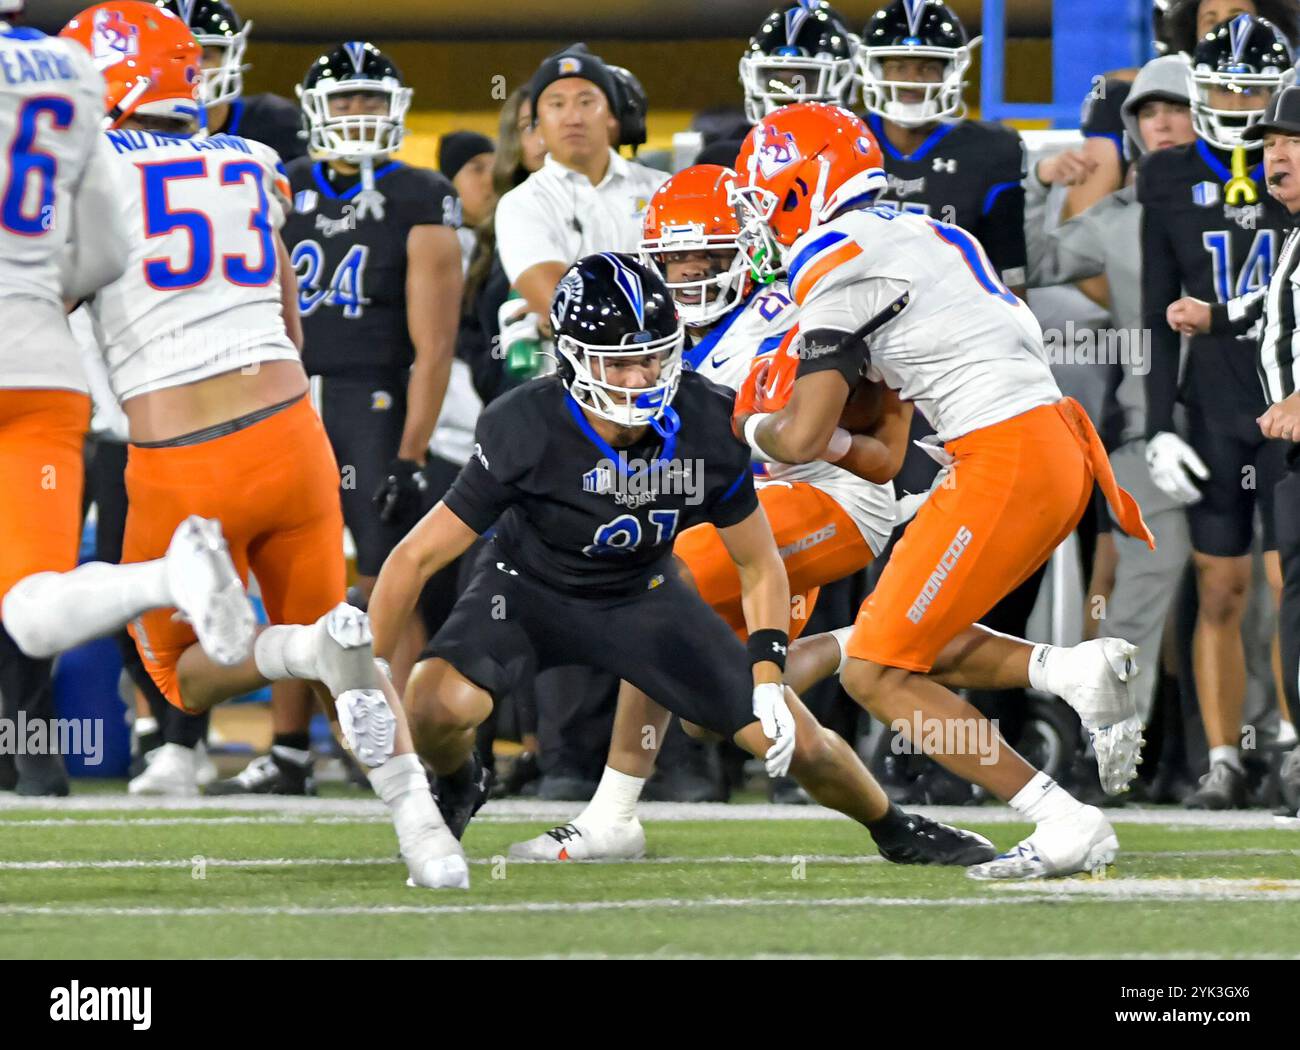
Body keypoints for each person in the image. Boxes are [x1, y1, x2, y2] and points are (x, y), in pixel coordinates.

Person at [510, 167, 1148, 861]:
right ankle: (996, 715)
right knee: (709, 695)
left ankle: (611, 815)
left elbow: (881, 453)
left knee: (660, 584)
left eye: (711, 256)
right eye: (676, 259)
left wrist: (776, 431)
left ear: (751, 245)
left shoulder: (818, 296)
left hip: (834, 502)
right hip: (754, 511)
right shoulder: (661, 336)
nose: (692, 275)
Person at [3, 1, 467, 889]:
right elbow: (290, 314)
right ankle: (427, 838)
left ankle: (295, 654)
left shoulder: (85, 173)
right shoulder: (255, 164)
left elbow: (47, 306)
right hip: (293, 434)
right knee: (353, 658)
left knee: (180, 678)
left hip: (182, 458)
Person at [368, 251, 997, 867]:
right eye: (622, 364)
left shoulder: (703, 418)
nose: (642, 378)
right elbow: (413, 559)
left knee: (790, 739)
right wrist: (366, 679)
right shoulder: (523, 425)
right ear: (575, 359)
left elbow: (757, 564)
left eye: (653, 357)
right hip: (525, 591)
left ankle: (895, 826)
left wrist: (770, 674)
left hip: (644, 596)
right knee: (434, 704)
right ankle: (457, 780)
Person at [731, 102, 1151, 879]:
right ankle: (1068, 673)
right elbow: (885, 454)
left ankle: (1064, 820)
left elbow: (796, 437)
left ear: (803, 183)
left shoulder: (837, 257)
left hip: (1006, 456)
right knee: (901, 638)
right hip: (1043, 447)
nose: (764, 217)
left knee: (876, 670)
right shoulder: (927, 231)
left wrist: (747, 424)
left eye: (768, 193)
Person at [210, 41, 463, 796]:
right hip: (282, 396)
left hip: (371, 404)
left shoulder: (421, 193)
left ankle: (402, 742)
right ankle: (289, 750)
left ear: (396, 108)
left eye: (369, 98)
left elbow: (435, 345)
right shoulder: (275, 184)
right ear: (318, 109)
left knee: (389, 578)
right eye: (344, 98)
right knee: (288, 577)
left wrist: (413, 452)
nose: (357, 112)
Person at [493, 45, 670, 799]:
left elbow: (698, 285)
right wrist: (644, 331)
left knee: (665, 573)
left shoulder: (663, 190)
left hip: (664, 406)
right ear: (535, 123)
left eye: (586, 100)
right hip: (570, 407)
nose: (572, 115)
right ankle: (567, 757)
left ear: (614, 112)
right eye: (556, 104)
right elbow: (546, 294)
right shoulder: (524, 201)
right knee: (567, 569)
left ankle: (672, 761)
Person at [1027, 56, 1199, 771]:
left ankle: (1246, 752)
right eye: (1146, 113)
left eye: (1175, 110)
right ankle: (1109, 752)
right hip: (1143, 430)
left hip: (1255, 423)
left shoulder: (1265, 203)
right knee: (1138, 599)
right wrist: (1039, 187)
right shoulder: (1119, 218)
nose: (1159, 124)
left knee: (1246, 603)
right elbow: (1032, 261)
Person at [1140, 13, 1294, 808]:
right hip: (1214, 405)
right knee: (1221, 586)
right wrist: (1160, 419)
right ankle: (1225, 757)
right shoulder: (1166, 175)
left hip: (1286, 401)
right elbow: (1157, 307)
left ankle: (1293, 742)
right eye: (1226, 85)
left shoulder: (1292, 165)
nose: (1239, 101)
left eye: (1254, 88)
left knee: (1289, 579)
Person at [0, 0, 129, 795]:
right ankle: (34, 756)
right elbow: (108, 247)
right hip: (44, 362)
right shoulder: (73, 67)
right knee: (31, 583)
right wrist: (42, 294)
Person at [153, 0, 304, 162]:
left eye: (204, 56)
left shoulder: (273, 121)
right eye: (177, 56)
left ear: (229, 58)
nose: (191, 67)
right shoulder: (136, 127)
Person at [739, 0, 860, 125]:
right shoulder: (737, 143)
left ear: (842, 79)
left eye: (803, 83)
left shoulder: (862, 142)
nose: (787, 104)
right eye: (776, 83)